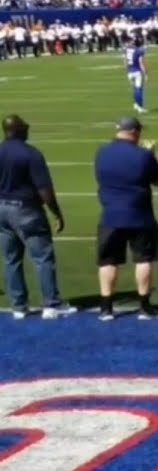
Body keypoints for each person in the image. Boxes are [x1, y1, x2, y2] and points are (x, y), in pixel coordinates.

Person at [0, 115, 72, 319]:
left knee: (11, 259)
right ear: (18, 130)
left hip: (2, 209)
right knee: (42, 257)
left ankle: (18, 306)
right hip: (26, 210)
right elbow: (44, 190)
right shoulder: (30, 154)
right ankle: (51, 303)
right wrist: (56, 213)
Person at [93, 116, 158, 320]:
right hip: (139, 215)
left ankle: (106, 308)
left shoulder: (102, 153)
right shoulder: (143, 155)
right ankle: (144, 306)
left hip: (110, 214)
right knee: (143, 259)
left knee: (108, 261)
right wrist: (153, 155)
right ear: (134, 131)